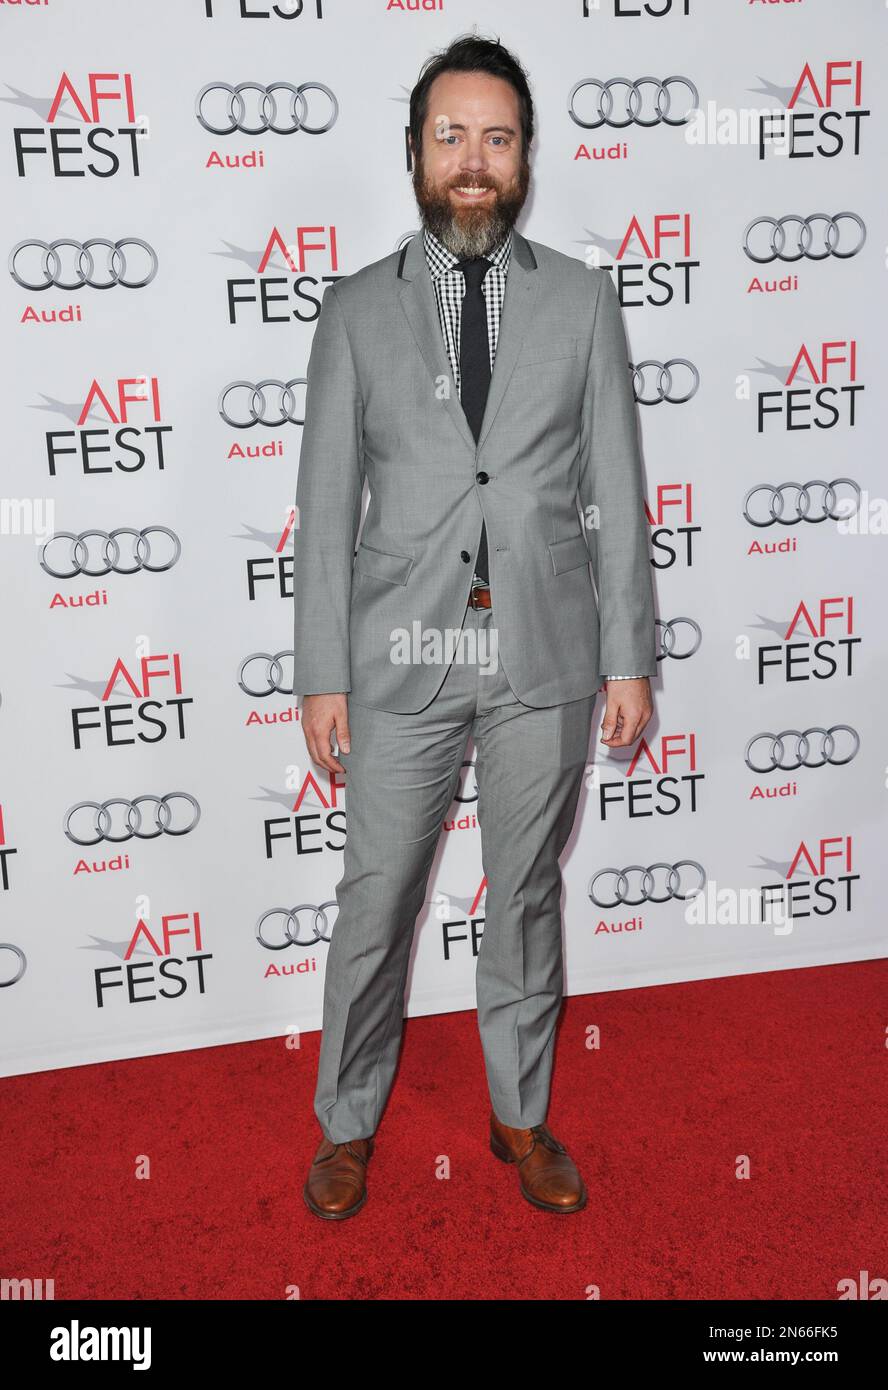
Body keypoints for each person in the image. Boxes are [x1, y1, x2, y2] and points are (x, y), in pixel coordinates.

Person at [292, 32, 656, 1219]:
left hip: (543, 655)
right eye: (450, 136)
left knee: (528, 893)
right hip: (400, 653)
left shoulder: (585, 301)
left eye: (496, 138)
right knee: (376, 898)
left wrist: (628, 655)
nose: (473, 162)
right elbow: (323, 505)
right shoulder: (353, 311)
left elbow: (618, 488)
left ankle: (519, 1116)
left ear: (527, 157)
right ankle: (347, 1121)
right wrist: (322, 674)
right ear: (413, 153)